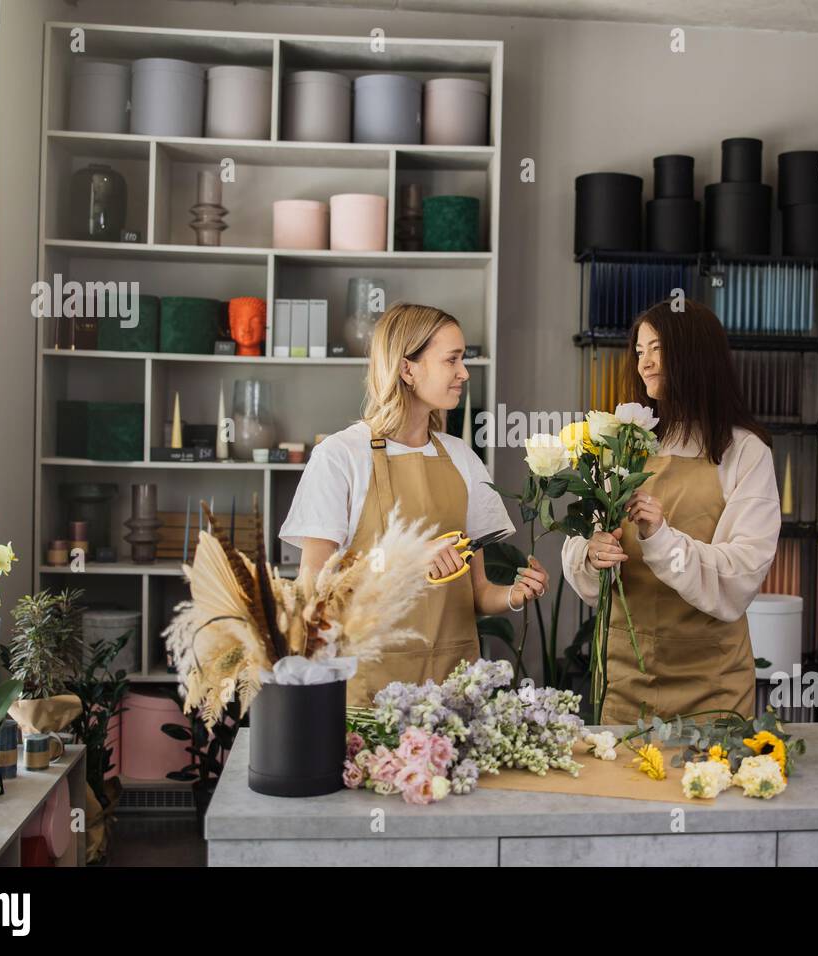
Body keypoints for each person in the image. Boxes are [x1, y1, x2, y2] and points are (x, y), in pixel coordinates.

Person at [279, 302, 547, 706]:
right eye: (452, 360)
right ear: (408, 369)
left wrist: (514, 594)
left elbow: (477, 593)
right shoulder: (340, 456)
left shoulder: (463, 459)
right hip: (370, 689)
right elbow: (315, 587)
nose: (464, 373)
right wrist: (403, 561)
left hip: (455, 689)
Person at [562, 298, 780, 723]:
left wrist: (661, 537)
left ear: (695, 353)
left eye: (657, 348)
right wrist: (591, 554)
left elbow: (742, 573)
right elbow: (581, 543)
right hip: (626, 678)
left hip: (712, 684)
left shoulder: (745, 453)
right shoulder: (624, 447)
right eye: (639, 351)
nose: (644, 363)